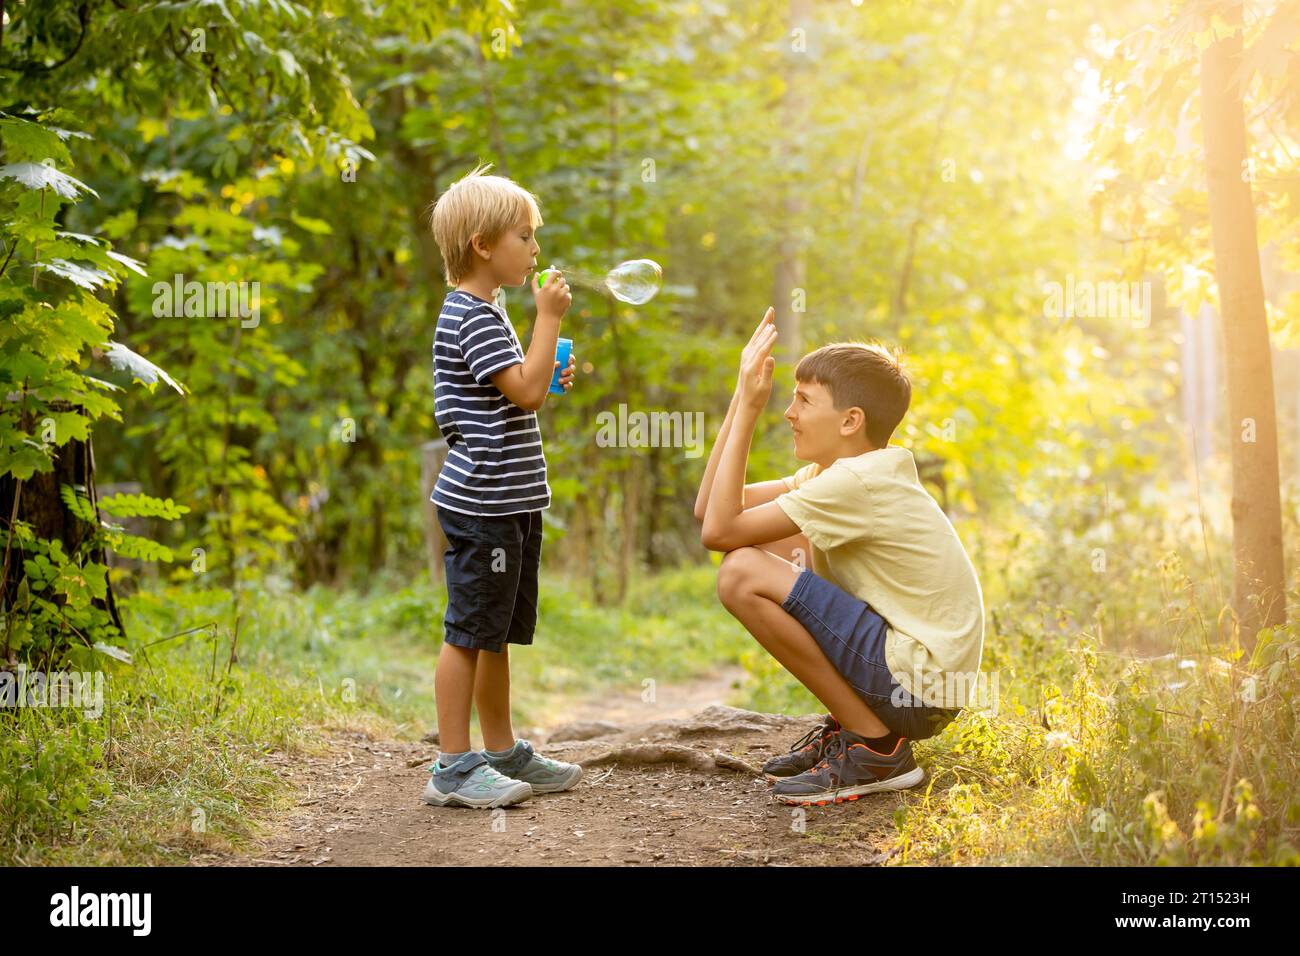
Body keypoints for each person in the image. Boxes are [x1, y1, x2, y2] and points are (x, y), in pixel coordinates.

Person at [695, 309, 985, 806]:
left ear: (852, 420)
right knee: (768, 549)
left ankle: (876, 747)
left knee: (742, 572)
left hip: (917, 688)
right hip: (920, 684)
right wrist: (741, 400)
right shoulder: (842, 474)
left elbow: (719, 532)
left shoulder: (856, 483)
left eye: (804, 400)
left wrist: (748, 409)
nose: (789, 412)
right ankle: (862, 732)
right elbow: (711, 509)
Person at [421, 164, 583, 809]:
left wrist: (546, 358)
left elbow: (520, 389)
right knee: (469, 631)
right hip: (483, 504)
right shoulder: (471, 314)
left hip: (508, 501)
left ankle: (501, 750)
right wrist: (548, 322)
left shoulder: (487, 307)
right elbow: (526, 393)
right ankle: (452, 768)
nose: (536, 249)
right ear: (483, 245)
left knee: (496, 632)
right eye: (525, 236)